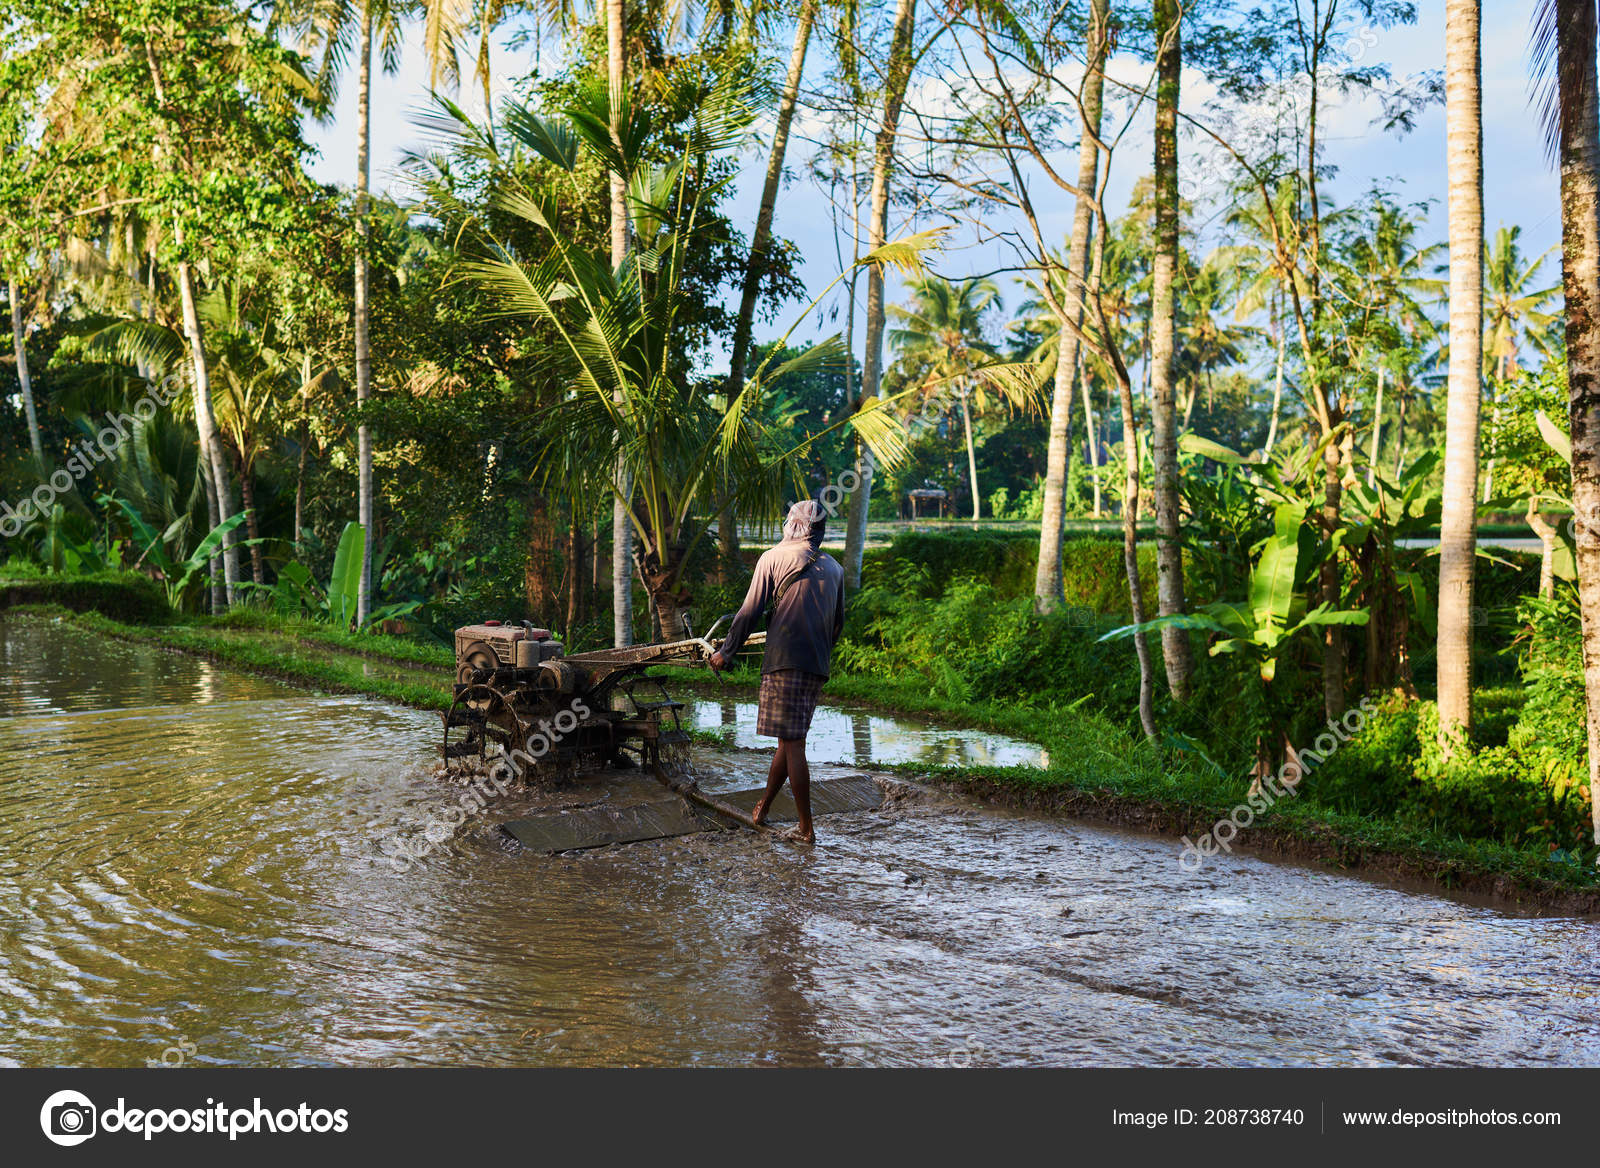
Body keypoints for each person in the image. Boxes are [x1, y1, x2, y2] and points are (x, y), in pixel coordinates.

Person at [709, 499, 845, 844]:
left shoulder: (773, 558)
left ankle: (805, 828)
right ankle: (764, 806)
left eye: (788, 519)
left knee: (794, 743)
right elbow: (837, 625)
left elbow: (748, 613)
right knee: (789, 740)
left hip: (785, 660)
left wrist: (726, 652)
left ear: (796, 526)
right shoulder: (835, 568)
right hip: (817, 664)